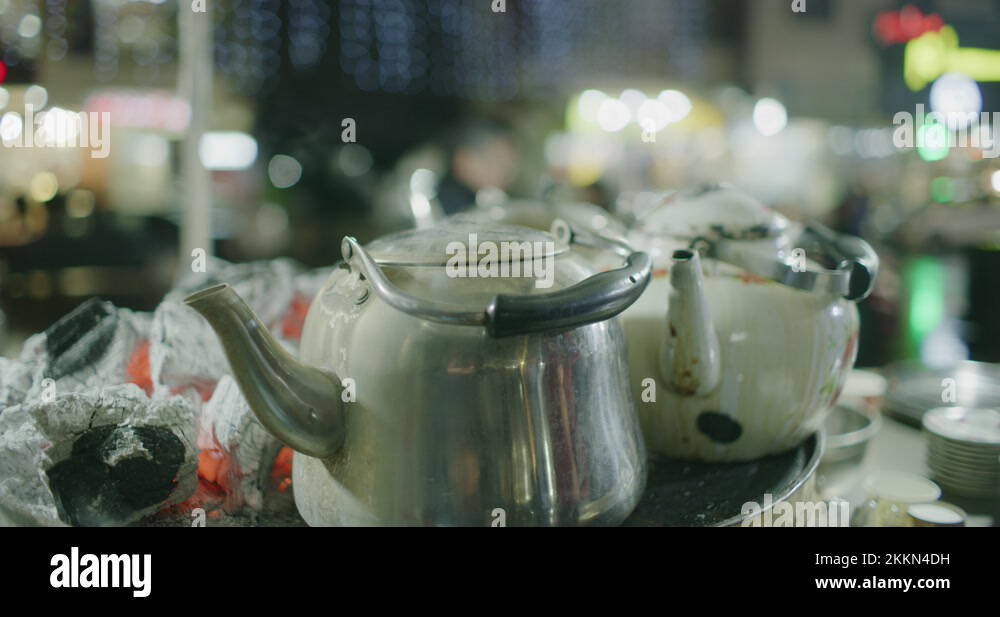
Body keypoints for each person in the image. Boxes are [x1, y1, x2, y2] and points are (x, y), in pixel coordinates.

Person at [436, 117, 518, 215]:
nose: (508, 175)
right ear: (463, 161)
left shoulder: (504, 202)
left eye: (510, 165)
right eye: (497, 162)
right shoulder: (441, 208)